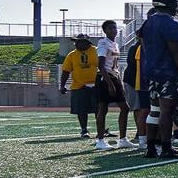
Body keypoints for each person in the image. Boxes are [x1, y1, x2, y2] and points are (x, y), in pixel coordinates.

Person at [140, 0, 178, 158]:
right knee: (167, 110)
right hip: (168, 72)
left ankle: (151, 147)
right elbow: (176, 51)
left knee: (154, 110)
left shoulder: (148, 22)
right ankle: (167, 147)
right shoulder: (170, 23)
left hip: (151, 71)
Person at [94, 21, 134, 149]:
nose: (114, 30)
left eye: (115, 28)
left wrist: (118, 80)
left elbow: (114, 64)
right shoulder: (103, 43)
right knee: (103, 108)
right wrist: (109, 83)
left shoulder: (115, 44)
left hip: (114, 76)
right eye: (110, 28)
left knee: (125, 107)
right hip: (104, 77)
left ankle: (122, 139)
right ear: (105, 30)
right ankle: (100, 140)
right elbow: (100, 64)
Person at [59, 33, 99, 141]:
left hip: (96, 85)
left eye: (79, 41)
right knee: (81, 110)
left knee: (99, 109)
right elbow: (66, 71)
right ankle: (84, 130)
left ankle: (101, 129)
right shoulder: (71, 55)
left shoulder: (97, 51)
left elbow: (104, 66)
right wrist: (62, 86)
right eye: (75, 41)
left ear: (86, 43)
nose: (76, 43)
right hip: (79, 85)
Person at [123, 28, 149, 150]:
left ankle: (143, 133)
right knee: (139, 108)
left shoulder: (141, 47)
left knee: (142, 109)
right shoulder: (137, 48)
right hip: (135, 81)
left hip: (139, 81)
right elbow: (135, 67)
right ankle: (141, 133)